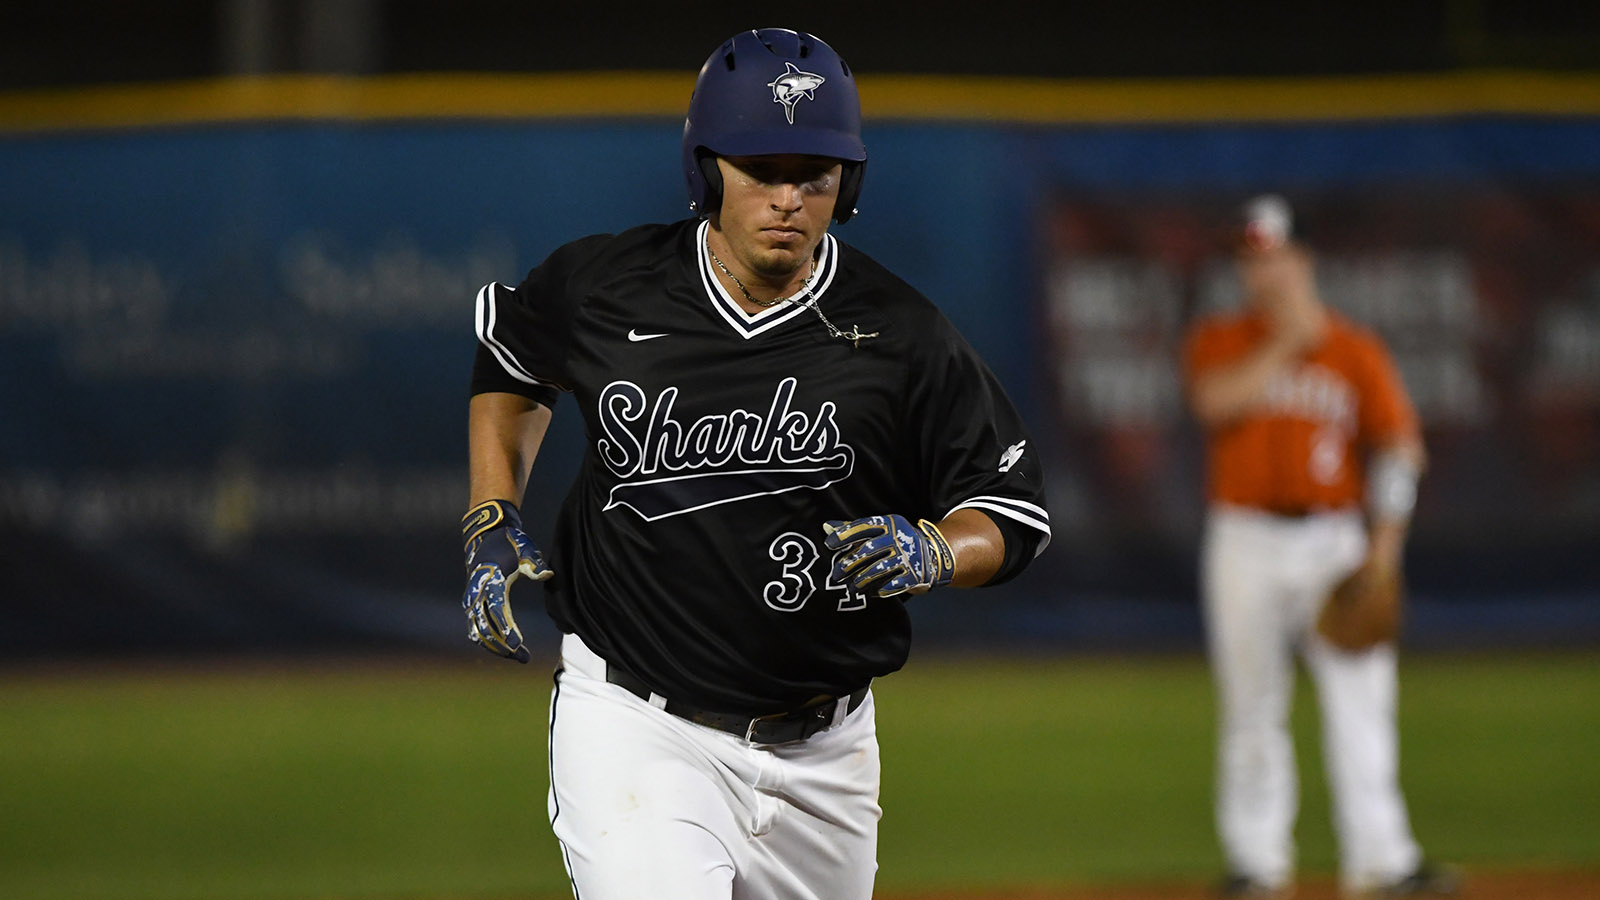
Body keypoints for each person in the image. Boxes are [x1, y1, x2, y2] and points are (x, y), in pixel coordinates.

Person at [458, 28, 1050, 900]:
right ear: (705, 171)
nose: (786, 198)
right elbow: (511, 356)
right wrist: (490, 508)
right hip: (637, 724)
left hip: (828, 757)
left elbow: (1012, 507)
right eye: (759, 168)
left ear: (846, 182)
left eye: (813, 174)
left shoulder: (900, 333)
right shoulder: (608, 287)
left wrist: (937, 550)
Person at [1182, 195, 1456, 899]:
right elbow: (1216, 404)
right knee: (1251, 707)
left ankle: (1382, 859)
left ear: (1304, 261)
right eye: (1251, 259)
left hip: (1334, 541)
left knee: (1362, 703)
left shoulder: (1354, 349)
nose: (1263, 272)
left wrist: (1386, 549)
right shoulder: (1220, 338)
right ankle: (1257, 865)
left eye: (1275, 257)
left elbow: (1400, 451)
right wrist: (1283, 343)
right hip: (1243, 540)